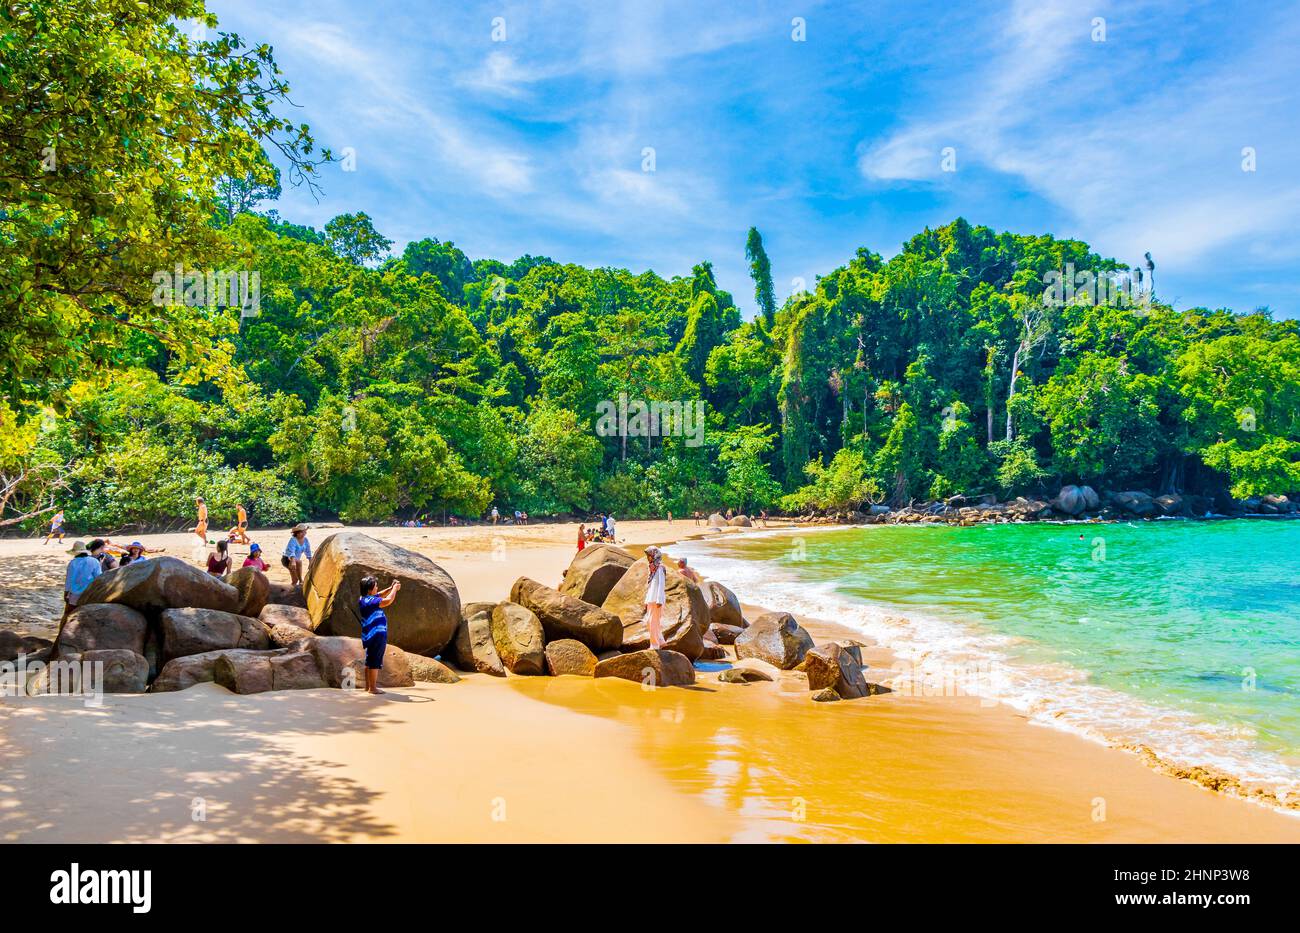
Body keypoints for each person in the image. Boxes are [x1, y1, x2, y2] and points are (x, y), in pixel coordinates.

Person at [358, 575, 400, 695]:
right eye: (376, 586)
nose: (377, 587)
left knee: (369, 660)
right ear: (370, 589)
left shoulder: (364, 599)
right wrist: (394, 590)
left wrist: (390, 587)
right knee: (375, 660)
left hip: (369, 635)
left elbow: (380, 595)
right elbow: (388, 601)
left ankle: (368, 687)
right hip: (376, 634)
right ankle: (373, 688)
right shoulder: (371, 602)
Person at [63, 540, 104, 619]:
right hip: (89, 592)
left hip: (75, 593)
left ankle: (62, 630)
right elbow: (99, 577)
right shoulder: (94, 561)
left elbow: (69, 579)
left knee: (68, 613)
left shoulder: (73, 563)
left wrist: (66, 593)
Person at [642, 546, 668, 649]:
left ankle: (654, 645)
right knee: (650, 621)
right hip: (651, 599)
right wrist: (646, 600)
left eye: (650, 556)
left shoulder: (660, 568)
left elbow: (661, 585)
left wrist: (659, 600)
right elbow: (650, 586)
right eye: (648, 556)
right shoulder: (653, 568)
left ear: (655, 556)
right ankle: (661, 641)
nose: (648, 558)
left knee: (652, 622)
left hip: (656, 599)